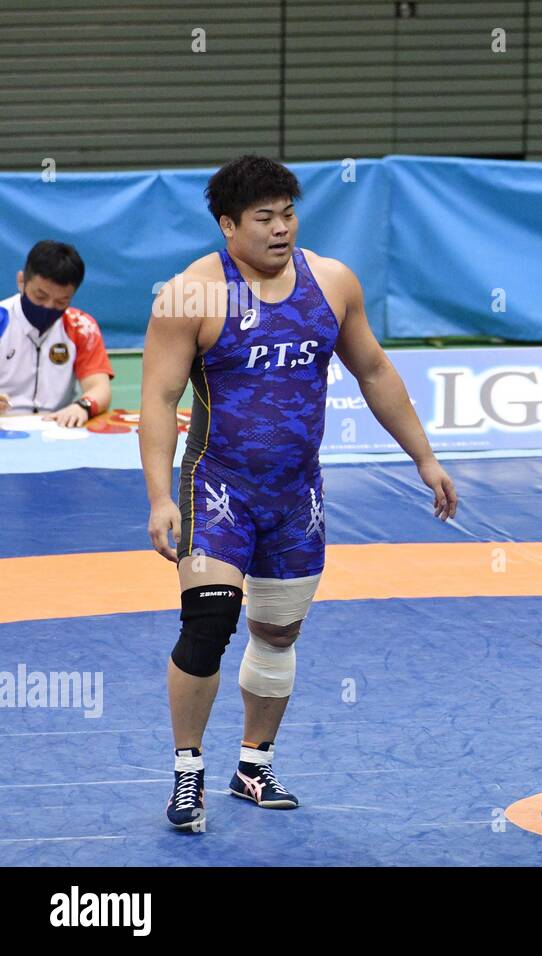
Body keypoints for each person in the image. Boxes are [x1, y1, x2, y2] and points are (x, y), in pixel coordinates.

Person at [139, 154, 458, 832]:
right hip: (217, 487)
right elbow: (161, 399)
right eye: (264, 218)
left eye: (288, 214)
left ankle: (253, 765)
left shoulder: (332, 282)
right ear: (228, 225)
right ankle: (187, 771)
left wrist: (424, 457)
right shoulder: (191, 295)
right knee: (208, 624)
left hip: (296, 497)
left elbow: (373, 370)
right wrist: (160, 497)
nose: (281, 229)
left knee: (277, 633)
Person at [0, 240, 113, 425]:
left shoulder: (82, 327)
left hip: (58, 427)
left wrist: (83, 406)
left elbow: (100, 388)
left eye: (61, 301)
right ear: (21, 281)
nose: (48, 306)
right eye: (40, 296)